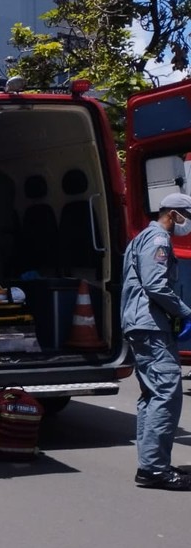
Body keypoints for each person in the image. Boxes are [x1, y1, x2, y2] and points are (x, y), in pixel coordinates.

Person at [121, 192, 191, 490]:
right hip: (150, 326)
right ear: (173, 214)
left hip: (142, 324)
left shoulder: (142, 237)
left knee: (152, 395)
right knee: (166, 394)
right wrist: (185, 311)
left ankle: (151, 465)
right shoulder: (158, 240)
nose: (187, 224)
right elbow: (155, 285)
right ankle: (154, 470)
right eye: (186, 217)